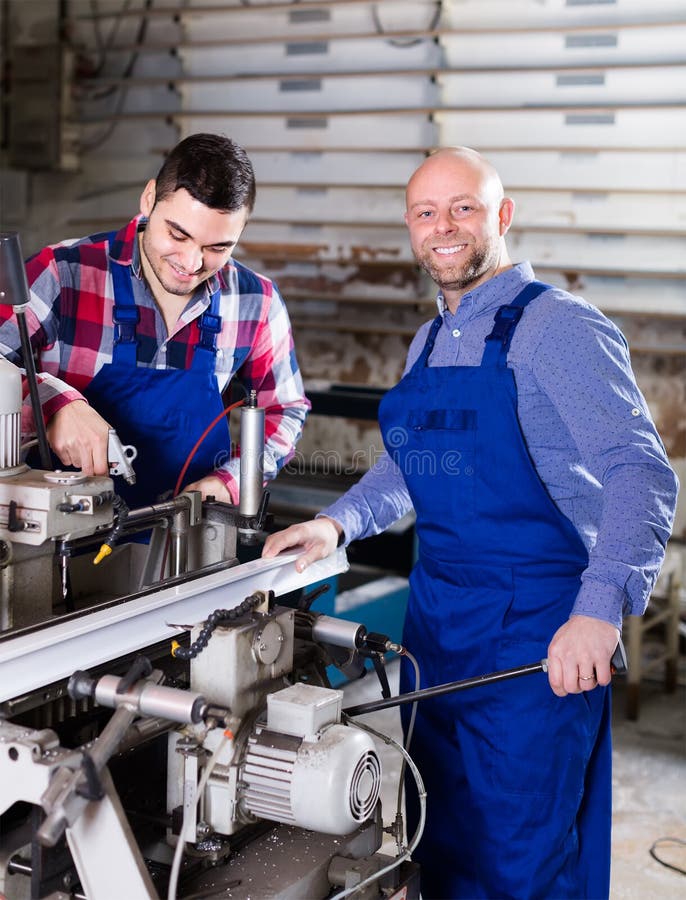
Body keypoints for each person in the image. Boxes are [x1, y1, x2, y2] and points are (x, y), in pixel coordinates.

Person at [263, 147, 679, 898]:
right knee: (438, 839)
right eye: (426, 213)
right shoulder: (431, 341)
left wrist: (600, 607)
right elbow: (409, 467)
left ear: (503, 217)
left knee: (521, 856)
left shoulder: (559, 329)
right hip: (439, 638)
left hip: (535, 642)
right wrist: (336, 524)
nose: (443, 227)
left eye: (463, 208)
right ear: (410, 229)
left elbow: (642, 474)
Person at [0, 133, 309, 508]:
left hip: (187, 543)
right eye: (178, 235)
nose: (191, 263)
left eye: (217, 248)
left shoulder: (256, 303)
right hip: (61, 541)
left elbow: (284, 410)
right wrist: (55, 405)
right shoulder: (62, 275)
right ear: (149, 199)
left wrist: (230, 483)